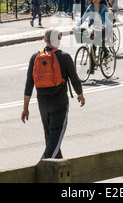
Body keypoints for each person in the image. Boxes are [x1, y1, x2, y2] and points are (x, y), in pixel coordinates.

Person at [22, 28, 85, 159]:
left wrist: (25, 108)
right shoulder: (65, 57)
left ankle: (57, 170)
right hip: (59, 105)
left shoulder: (35, 57)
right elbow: (74, 79)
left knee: (50, 139)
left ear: (44, 40)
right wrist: (80, 95)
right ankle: (41, 168)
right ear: (58, 40)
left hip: (43, 105)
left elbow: (29, 84)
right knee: (54, 142)